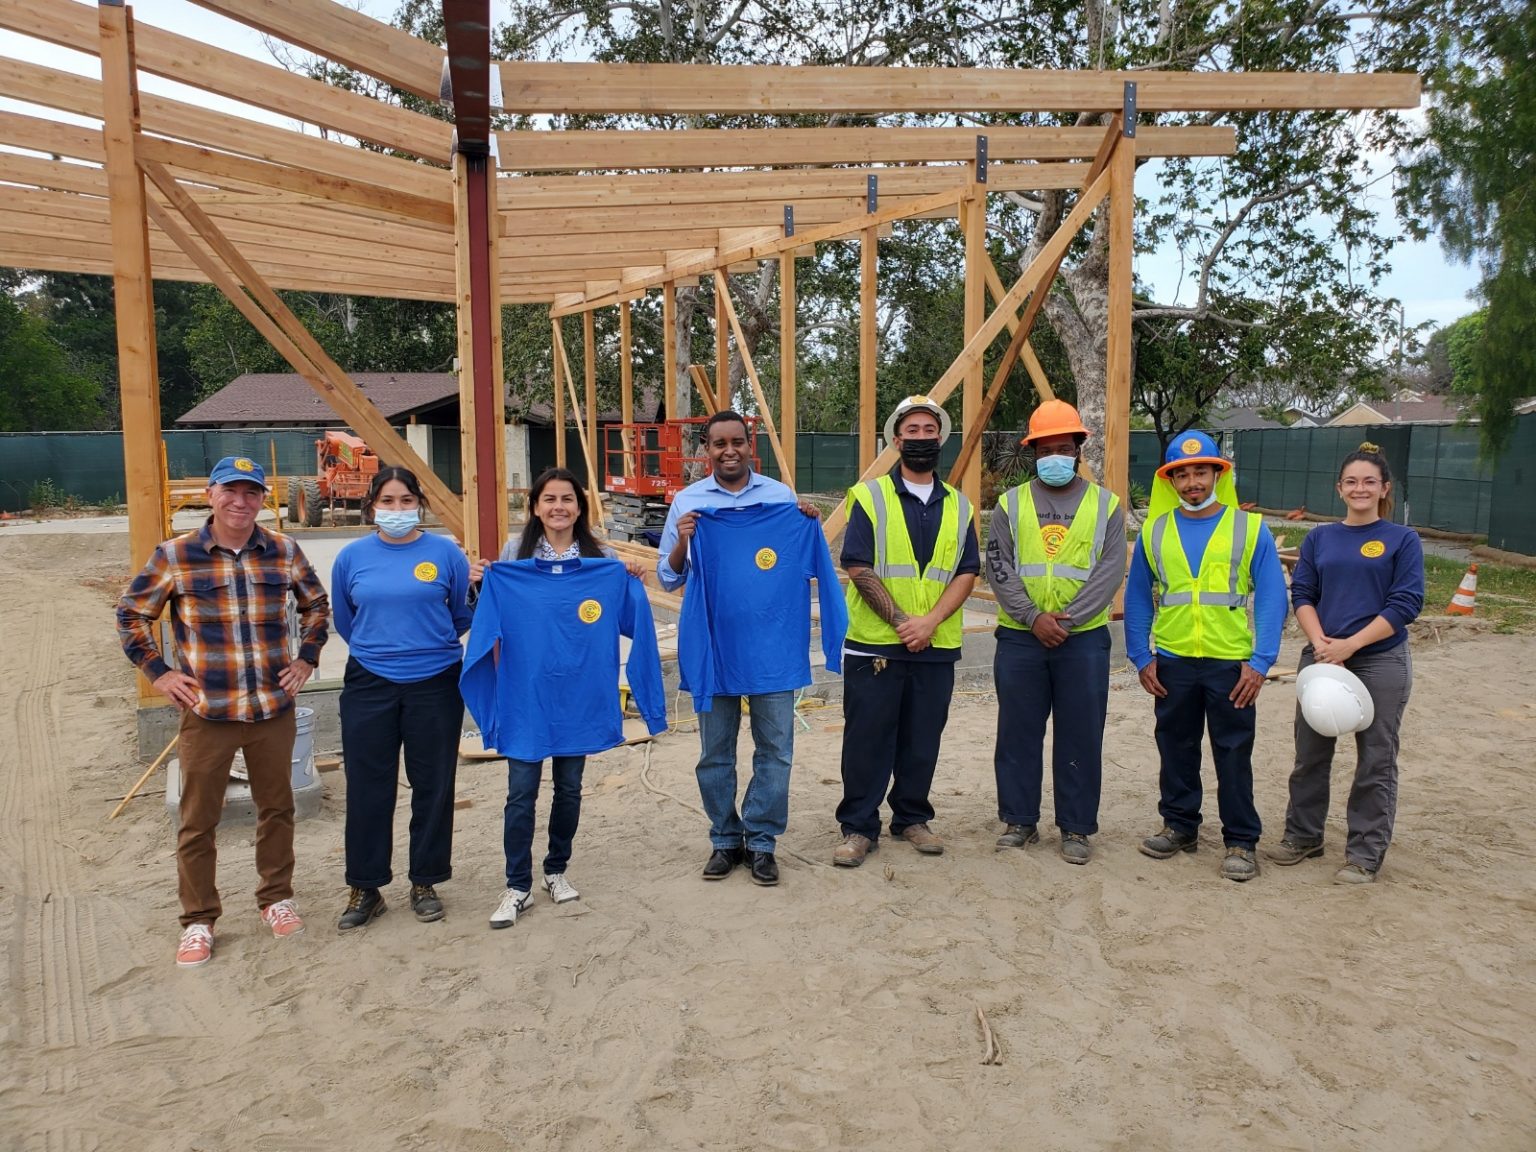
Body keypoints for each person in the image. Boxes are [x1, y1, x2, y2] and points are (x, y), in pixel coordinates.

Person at [117, 455, 328, 967]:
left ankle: (276, 897)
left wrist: (306, 658)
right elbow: (131, 614)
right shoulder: (176, 556)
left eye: (252, 493)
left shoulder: (282, 551)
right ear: (210, 495)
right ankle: (198, 920)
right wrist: (160, 673)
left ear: (263, 500)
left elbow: (316, 606)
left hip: (270, 710)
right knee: (198, 820)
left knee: (277, 809)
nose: (241, 502)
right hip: (208, 712)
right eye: (230, 491)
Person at [464, 466, 667, 928]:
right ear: (535, 506)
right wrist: (480, 581)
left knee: (570, 788)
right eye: (549, 499)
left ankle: (556, 870)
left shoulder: (603, 559)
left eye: (568, 499)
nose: (558, 507)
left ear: (580, 507)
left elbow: (639, 625)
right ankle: (517, 885)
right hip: (527, 696)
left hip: (579, 695)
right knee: (521, 792)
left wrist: (632, 577)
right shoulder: (514, 558)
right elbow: (482, 619)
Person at [656, 411, 825, 886]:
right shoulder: (689, 504)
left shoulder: (780, 498)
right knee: (715, 752)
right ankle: (724, 839)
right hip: (714, 648)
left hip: (772, 648)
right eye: (718, 444)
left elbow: (809, 560)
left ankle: (763, 840)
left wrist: (806, 518)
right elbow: (669, 578)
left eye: (737, 442)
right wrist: (683, 541)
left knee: (776, 750)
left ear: (750, 446)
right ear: (706, 450)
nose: (728, 451)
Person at [1125, 431, 1287, 882]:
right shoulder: (1155, 531)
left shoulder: (1249, 528)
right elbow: (1139, 596)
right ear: (1170, 480)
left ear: (1218, 473)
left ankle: (1240, 839)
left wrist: (1261, 662)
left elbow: (1273, 597)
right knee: (1174, 746)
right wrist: (1141, 655)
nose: (1192, 482)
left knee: (1233, 751)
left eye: (1201, 471)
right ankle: (1179, 826)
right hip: (1173, 660)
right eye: (1182, 474)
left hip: (1230, 665)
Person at [1265, 443, 1423, 884]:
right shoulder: (1319, 538)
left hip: (1378, 660)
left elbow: (1406, 603)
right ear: (1339, 488)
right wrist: (1320, 641)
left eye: (1369, 481)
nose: (1360, 488)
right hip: (1322, 656)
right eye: (1351, 481)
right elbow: (1304, 594)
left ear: (1384, 488)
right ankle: (1303, 835)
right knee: (1310, 754)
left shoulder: (1402, 540)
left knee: (1376, 758)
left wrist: (1350, 645)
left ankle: (1365, 853)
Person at [835, 395, 981, 866]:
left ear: (941, 438)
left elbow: (966, 571)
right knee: (867, 740)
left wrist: (930, 623)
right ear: (896, 440)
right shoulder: (870, 497)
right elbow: (857, 564)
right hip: (876, 645)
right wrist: (903, 623)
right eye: (911, 431)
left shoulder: (960, 506)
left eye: (928, 430)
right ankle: (859, 826)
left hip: (934, 645)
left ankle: (912, 817)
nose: (921, 438)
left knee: (923, 737)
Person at [330, 467, 472, 931]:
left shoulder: (445, 555)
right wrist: (383, 649)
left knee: (433, 784)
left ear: (420, 505)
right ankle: (365, 886)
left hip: (435, 681)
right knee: (369, 785)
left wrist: (424, 646)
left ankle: (425, 880)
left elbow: (458, 614)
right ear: (372, 505)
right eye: (387, 501)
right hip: (370, 681)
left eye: (406, 500)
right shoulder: (351, 558)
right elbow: (347, 621)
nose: (396, 510)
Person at [986, 400, 1126, 865]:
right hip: (1021, 638)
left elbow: (1110, 570)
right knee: (1018, 733)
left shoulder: (1106, 505)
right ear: (1033, 453)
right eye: (1046, 449)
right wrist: (1033, 618)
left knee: (1081, 734)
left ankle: (1076, 828)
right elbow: (999, 566)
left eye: (1064, 447)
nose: (1055, 456)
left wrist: (1065, 621)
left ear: (1078, 450)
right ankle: (1019, 820)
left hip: (1081, 640)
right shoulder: (1010, 504)